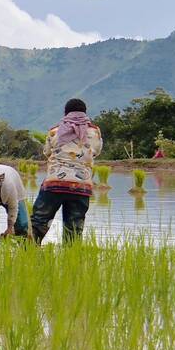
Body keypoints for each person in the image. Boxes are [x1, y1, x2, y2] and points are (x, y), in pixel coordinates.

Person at [29, 98, 103, 244]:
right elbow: (96, 152)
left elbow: (47, 152)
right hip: (81, 186)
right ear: (85, 113)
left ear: (65, 113)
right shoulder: (95, 132)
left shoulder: (54, 132)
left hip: (54, 184)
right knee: (74, 228)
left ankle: (27, 253)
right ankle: (71, 257)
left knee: (39, 221)